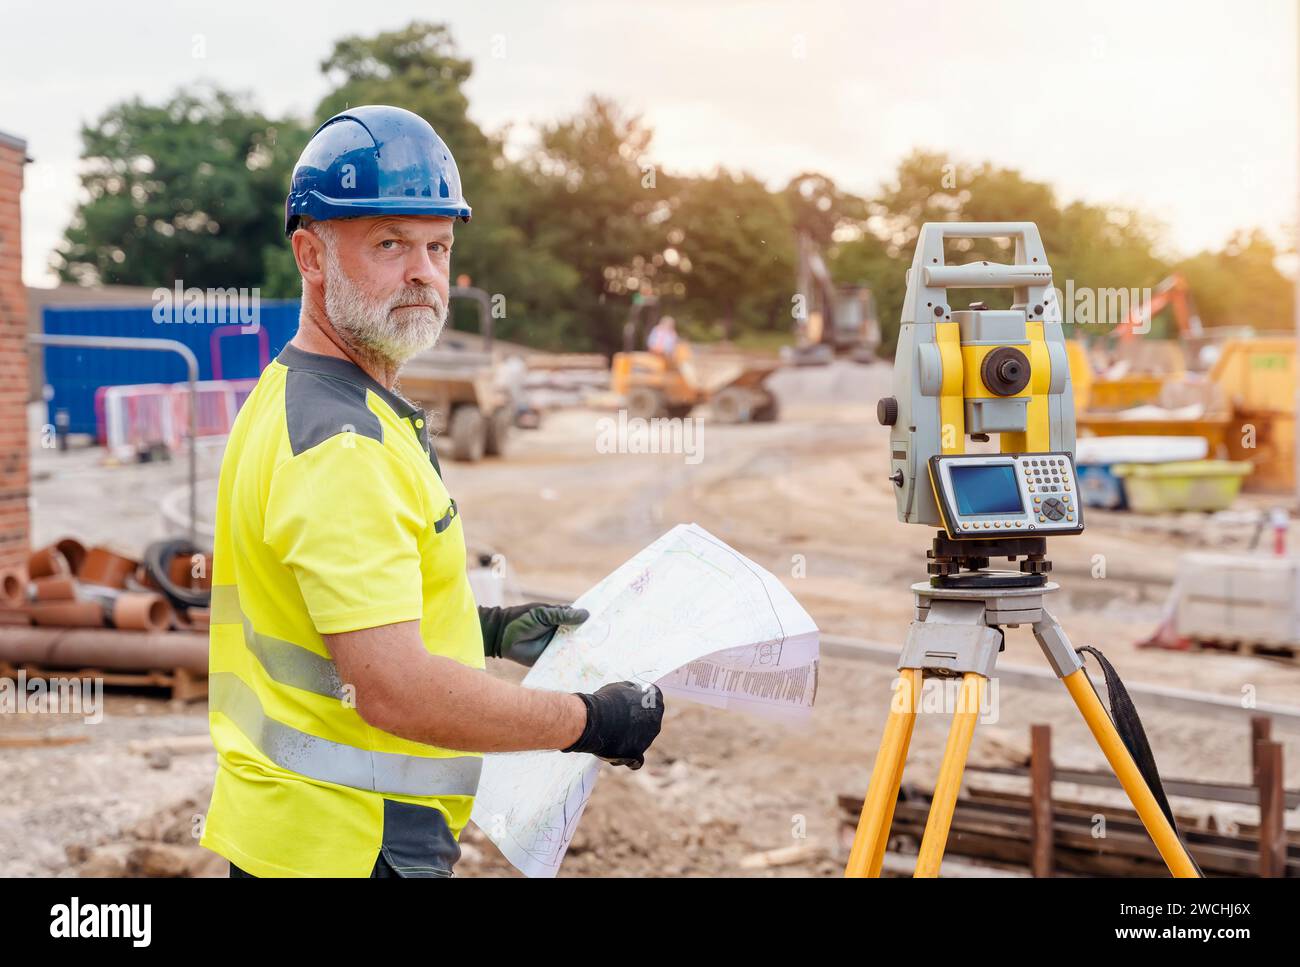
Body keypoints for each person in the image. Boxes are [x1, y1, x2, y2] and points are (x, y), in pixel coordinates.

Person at [200, 105, 664, 878]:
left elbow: (330, 620)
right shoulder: (342, 442)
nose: (422, 271)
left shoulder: (299, 391)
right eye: (390, 244)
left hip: (297, 828)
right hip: (351, 840)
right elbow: (397, 690)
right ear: (311, 255)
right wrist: (591, 720)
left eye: (438, 246)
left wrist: (483, 627)